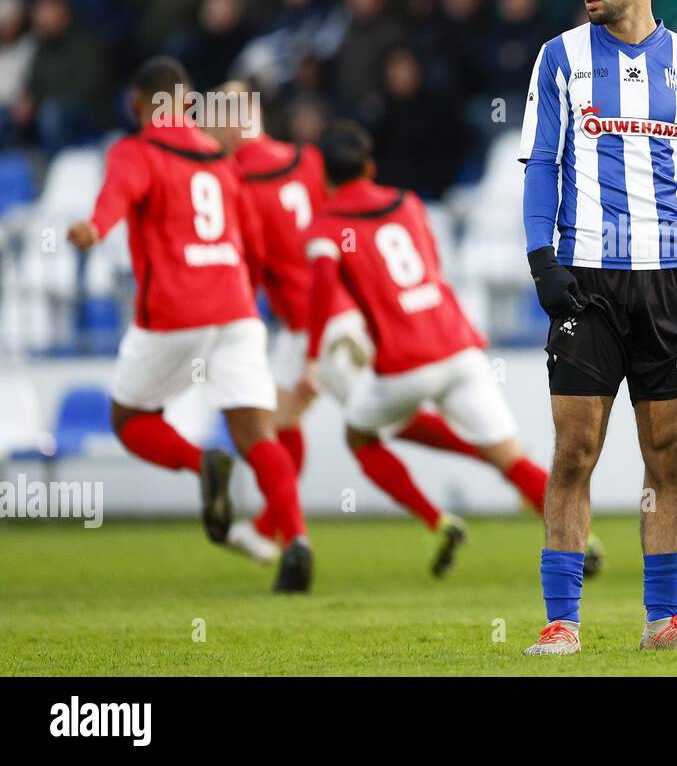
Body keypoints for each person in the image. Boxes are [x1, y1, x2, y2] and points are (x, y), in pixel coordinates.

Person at [207, 85, 597, 573]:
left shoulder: (236, 179)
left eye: (213, 115)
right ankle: (277, 531)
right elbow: (427, 264)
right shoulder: (356, 181)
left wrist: (309, 350)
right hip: (448, 341)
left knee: (366, 429)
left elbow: (290, 269)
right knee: (289, 422)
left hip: (322, 327)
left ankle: (416, 521)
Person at [518, 0, 677, 656]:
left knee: (670, 452)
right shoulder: (560, 58)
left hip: (674, 281)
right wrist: (542, 261)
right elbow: (541, 163)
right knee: (575, 449)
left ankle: (664, 622)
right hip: (587, 278)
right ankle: (562, 621)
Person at [65, 57, 311, 592]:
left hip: (175, 311)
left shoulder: (137, 151)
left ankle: (202, 462)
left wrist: (94, 229)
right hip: (237, 309)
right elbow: (251, 243)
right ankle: (296, 542)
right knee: (258, 434)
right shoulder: (222, 160)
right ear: (188, 102)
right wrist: (248, 299)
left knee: (129, 418)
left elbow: (115, 200)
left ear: (136, 104)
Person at [295, 120, 558, 578]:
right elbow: (432, 265)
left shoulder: (328, 226)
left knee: (359, 437)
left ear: (323, 175)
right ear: (369, 166)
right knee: (510, 457)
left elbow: (320, 290)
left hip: (403, 362)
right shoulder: (408, 203)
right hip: (458, 347)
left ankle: (437, 521)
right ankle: (579, 540)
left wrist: (314, 359)